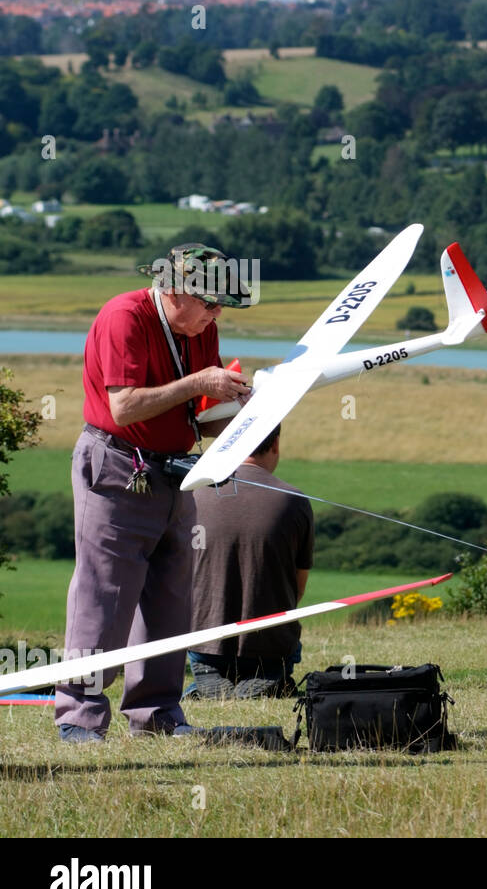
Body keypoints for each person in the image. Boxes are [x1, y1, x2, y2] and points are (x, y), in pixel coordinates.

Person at [55, 243, 254, 743]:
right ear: (173, 290)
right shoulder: (124, 317)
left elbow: (201, 416)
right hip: (117, 465)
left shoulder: (200, 328)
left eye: (221, 306)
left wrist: (250, 408)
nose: (216, 315)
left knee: (171, 597)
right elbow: (123, 408)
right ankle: (79, 716)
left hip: (173, 472)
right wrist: (199, 383)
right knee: (104, 594)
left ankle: (158, 714)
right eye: (210, 303)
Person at [186, 424, 313, 699]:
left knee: (208, 665)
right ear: (275, 444)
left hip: (204, 640)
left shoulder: (194, 493)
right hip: (271, 644)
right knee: (269, 668)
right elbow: (297, 588)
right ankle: (265, 679)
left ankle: (208, 679)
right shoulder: (295, 501)